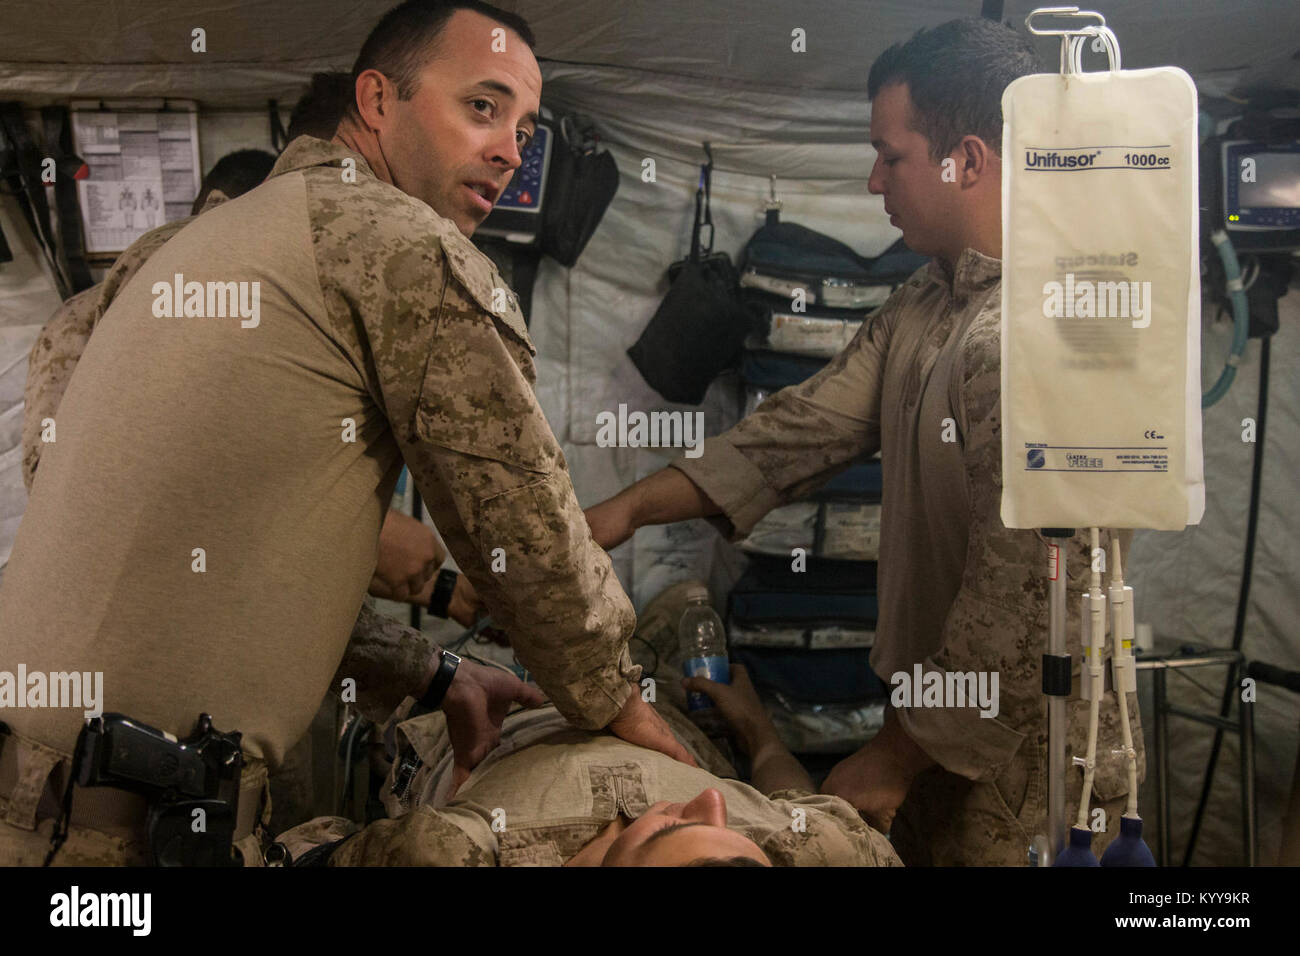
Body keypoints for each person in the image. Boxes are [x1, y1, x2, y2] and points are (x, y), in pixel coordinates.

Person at [0, 0, 689, 867]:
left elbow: (222, 566)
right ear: (377, 101)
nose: (513, 150)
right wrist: (623, 706)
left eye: (525, 126)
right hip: (117, 838)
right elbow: (523, 530)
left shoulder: (162, 258)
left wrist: (438, 672)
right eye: (484, 106)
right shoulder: (402, 243)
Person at [583, 18, 1143, 866]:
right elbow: (797, 431)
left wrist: (896, 754)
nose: (873, 177)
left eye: (892, 155)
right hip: (935, 729)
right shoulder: (929, 302)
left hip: (1028, 753)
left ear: (968, 160)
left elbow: (1030, 591)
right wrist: (624, 511)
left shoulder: (1046, 330)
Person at [275, 665, 900, 867]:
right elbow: (799, 813)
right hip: (660, 706)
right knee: (686, 603)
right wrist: (758, 730)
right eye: (732, 831)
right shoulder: (823, 849)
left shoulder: (445, 851)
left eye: (669, 829)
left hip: (473, 718)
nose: (712, 804)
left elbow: (293, 849)